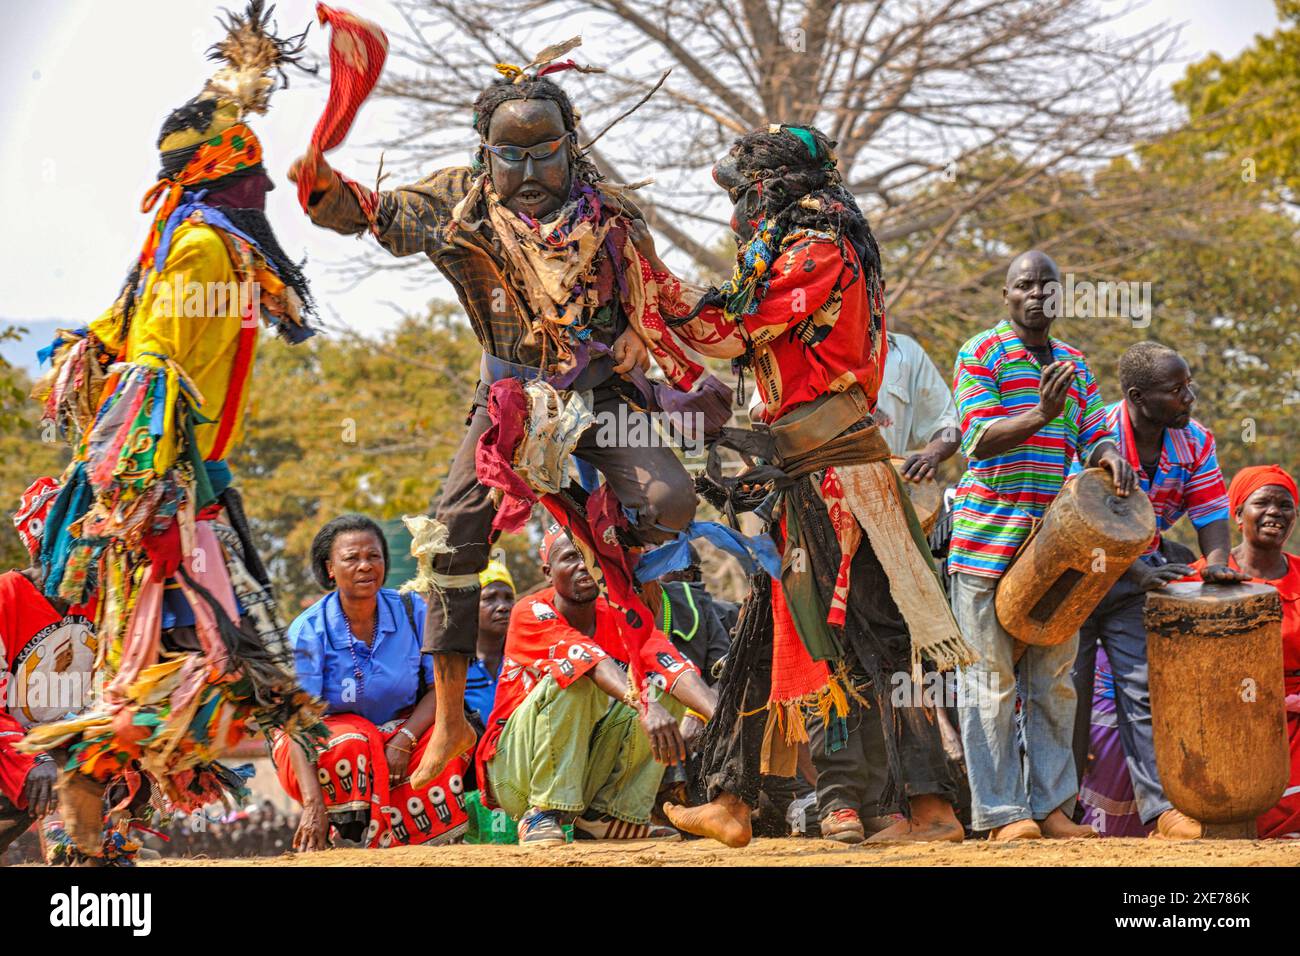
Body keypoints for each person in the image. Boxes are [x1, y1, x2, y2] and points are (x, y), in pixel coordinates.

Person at [290, 48, 715, 793]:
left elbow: (652, 306)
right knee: (453, 536)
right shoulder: (462, 202)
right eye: (507, 153)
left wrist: (631, 338)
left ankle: (613, 556)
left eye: (542, 151)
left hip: (597, 398)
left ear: (570, 143)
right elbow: (379, 215)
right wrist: (326, 192)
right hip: (509, 408)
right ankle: (451, 718)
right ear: (484, 152)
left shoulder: (611, 214)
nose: (525, 169)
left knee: (673, 502)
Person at [20, 3, 325, 862]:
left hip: (184, 491)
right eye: (253, 175)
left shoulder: (193, 240)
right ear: (223, 177)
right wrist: (154, 493)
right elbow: (148, 375)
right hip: (160, 498)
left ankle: (101, 835)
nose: (267, 190)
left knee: (212, 664)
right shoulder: (197, 247)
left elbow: (121, 343)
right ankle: (84, 841)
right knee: (179, 666)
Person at [642, 124, 975, 847]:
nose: (738, 212)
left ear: (773, 190)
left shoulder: (817, 250)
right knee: (787, 631)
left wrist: (646, 271)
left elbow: (730, 325)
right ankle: (737, 798)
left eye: (743, 194)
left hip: (837, 481)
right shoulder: (815, 244)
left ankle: (898, 808)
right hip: (818, 473)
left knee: (860, 638)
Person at [948, 249, 1136, 841]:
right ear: (1006, 295)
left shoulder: (1076, 363)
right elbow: (977, 440)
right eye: (1024, 285)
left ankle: (1053, 809)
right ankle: (1003, 815)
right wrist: (1040, 412)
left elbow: (1095, 435)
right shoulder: (981, 353)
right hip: (986, 540)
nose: (1036, 295)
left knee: (1054, 683)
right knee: (990, 683)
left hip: (1058, 549)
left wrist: (1110, 459)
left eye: (1046, 287)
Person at [1070, 341, 1243, 840]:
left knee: (1142, 690)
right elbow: (1081, 526)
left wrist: (1214, 566)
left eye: (1188, 385)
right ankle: (1057, 811)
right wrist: (1136, 575)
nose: (1189, 396)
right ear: (1137, 396)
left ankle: (1161, 811)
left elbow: (1210, 511)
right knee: (1066, 696)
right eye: (1177, 389)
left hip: (1136, 577)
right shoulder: (1095, 437)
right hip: (1077, 575)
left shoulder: (1194, 441)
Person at [479, 526, 718, 846]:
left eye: (590, 557)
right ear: (548, 573)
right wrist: (646, 706)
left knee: (664, 687)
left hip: (579, 769)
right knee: (576, 678)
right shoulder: (530, 611)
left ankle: (608, 816)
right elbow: (591, 662)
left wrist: (721, 718)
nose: (582, 565)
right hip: (515, 773)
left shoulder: (618, 614)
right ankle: (542, 812)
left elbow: (670, 664)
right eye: (570, 557)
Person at [276, 515, 472, 850]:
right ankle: (351, 839)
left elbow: (441, 688)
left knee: (444, 736)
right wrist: (312, 805)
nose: (365, 566)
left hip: (403, 728)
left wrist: (405, 739)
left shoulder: (413, 610)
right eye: (352, 558)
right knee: (354, 741)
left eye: (374, 556)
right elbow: (299, 723)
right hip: (330, 742)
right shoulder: (309, 631)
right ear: (330, 570)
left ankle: (431, 846)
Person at [1187, 465, 1300, 839]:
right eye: (1262, 503)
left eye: (1286, 506)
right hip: (1222, 725)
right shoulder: (1197, 579)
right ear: (1236, 514)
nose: (1275, 513)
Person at [0, 479, 94, 857]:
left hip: (63, 745)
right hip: (13, 748)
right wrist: (32, 758)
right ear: (44, 540)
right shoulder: (6, 597)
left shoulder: (101, 600)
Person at [467, 553, 516, 727]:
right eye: (489, 598)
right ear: (471, 605)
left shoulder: (523, 663)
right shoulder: (457, 667)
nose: (503, 607)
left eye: (509, 598)